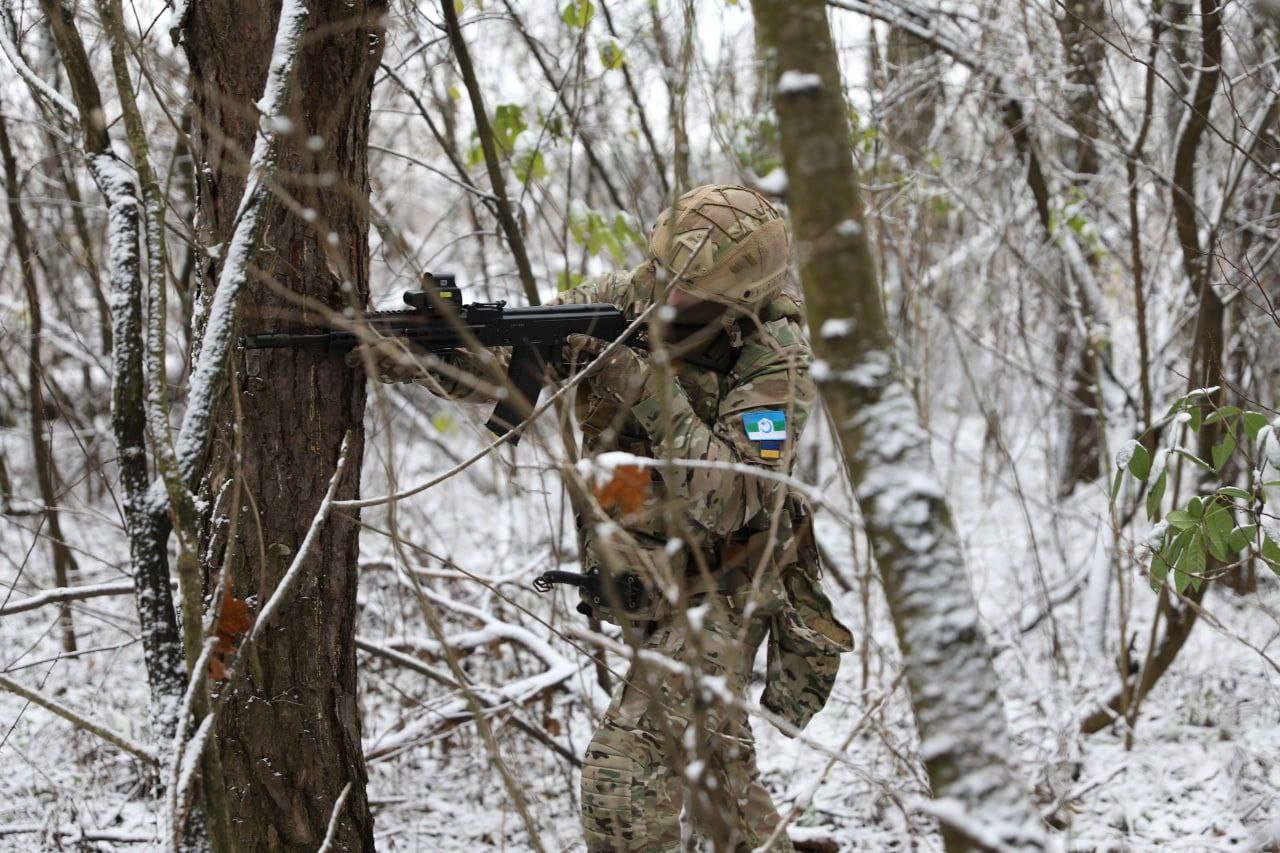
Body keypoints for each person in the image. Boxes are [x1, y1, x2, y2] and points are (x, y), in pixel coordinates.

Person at [351, 184, 851, 852]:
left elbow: (736, 496)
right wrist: (433, 353)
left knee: (624, 780)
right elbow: (507, 376)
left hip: (730, 578)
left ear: (742, 300)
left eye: (690, 292)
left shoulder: (774, 357)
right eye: (664, 273)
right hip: (648, 568)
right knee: (714, 772)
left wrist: (639, 383)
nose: (667, 295)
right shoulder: (621, 299)